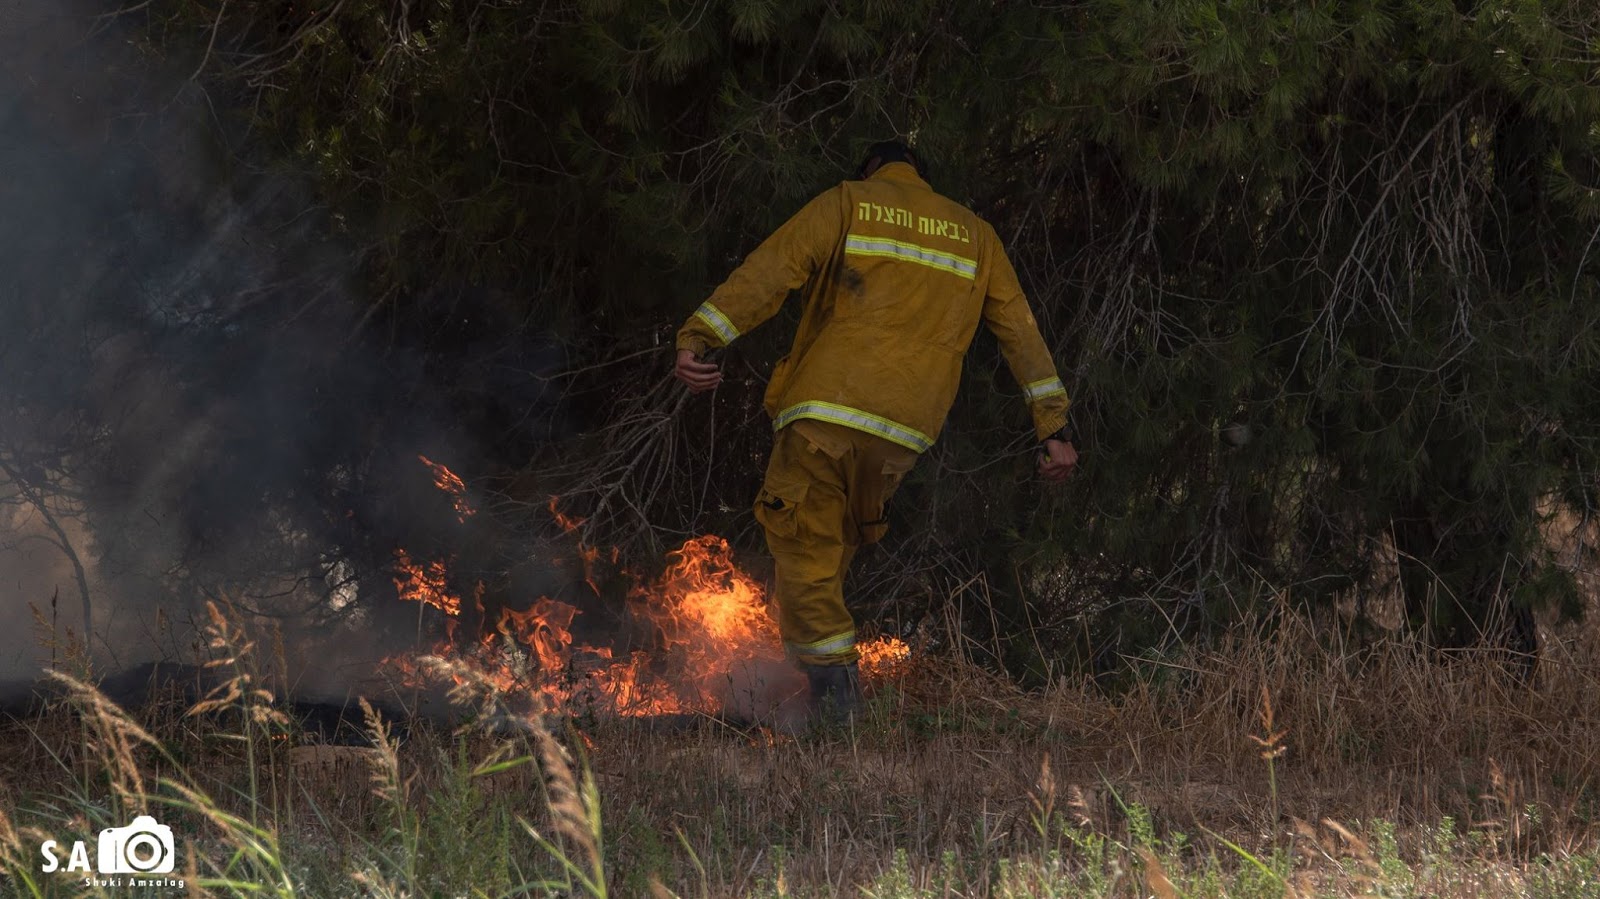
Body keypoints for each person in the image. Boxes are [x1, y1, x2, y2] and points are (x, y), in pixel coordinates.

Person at [674, 140, 1078, 719]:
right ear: (923, 178)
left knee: (805, 555)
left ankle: (837, 714)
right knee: (829, 555)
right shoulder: (974, 234)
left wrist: (700, 337)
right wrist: (1054, 428)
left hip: (827, 412)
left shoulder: (850, 203)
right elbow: (1021, 332)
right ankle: (802, 701)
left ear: (870, 172)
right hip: (905, 432)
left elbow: (770, 271)